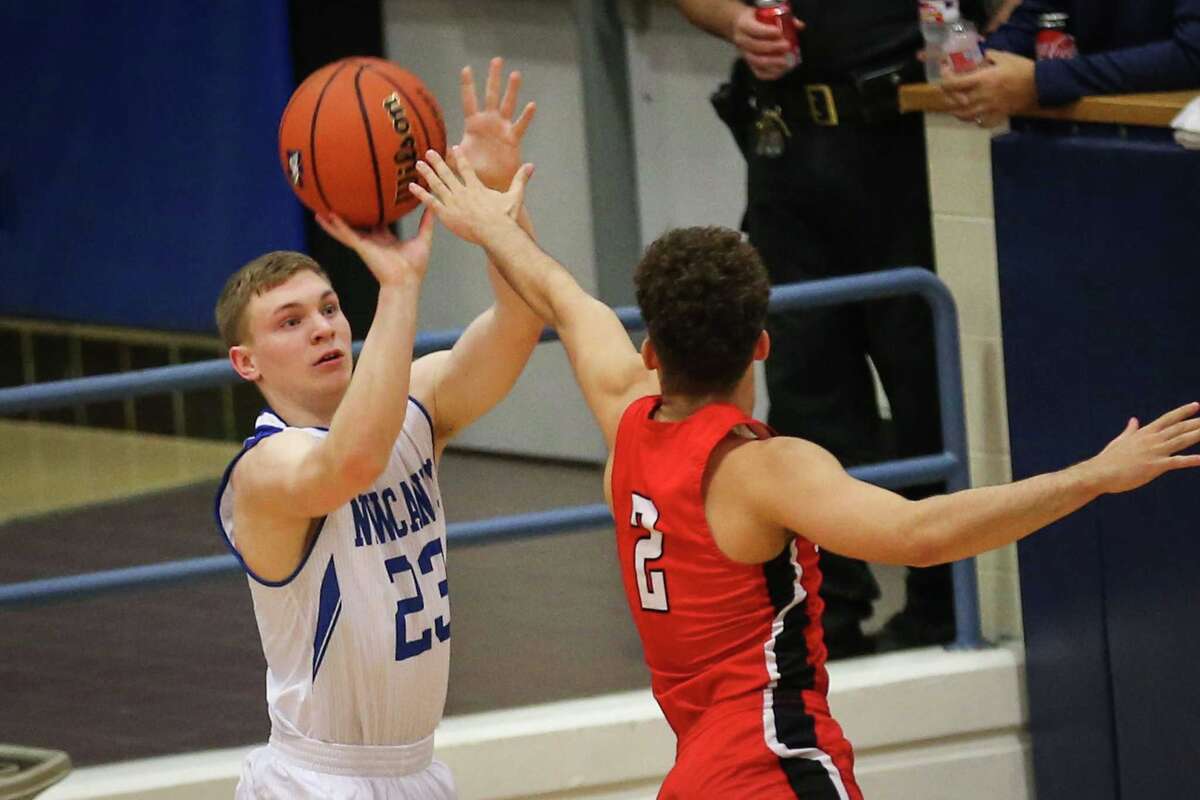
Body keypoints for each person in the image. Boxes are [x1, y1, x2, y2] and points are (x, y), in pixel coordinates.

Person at [410, 148, 1200, 798]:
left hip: (695, 776)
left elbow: (557, 291)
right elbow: (922, 534)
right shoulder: (763, 469)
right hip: (773, 763)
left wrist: (490, 223)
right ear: (762, 344)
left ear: (651, 350)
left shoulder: (625, 419)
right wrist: (1091, 475)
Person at [212, 59, 540, 799]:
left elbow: (521, 324)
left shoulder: (414, 403)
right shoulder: (263, 472)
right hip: (314, 780)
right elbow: (350, 462)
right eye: (290, 322)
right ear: (246, 360)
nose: (322, 328)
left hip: (417, 769)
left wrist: (497, 208)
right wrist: (399, 285)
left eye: (329, 307)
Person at [671, 0, 988, 656]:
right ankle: (829, 607)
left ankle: (944, 601)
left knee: (928, 380)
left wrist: (985, 41)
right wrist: (736, 23)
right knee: (807, 392)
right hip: (788, 150)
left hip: (908, 143)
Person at [939, 0, 1200, 127]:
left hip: (1176, 144)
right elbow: (1035, 18)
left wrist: (1041, 82)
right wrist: (974, 65)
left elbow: (1191, 56)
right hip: (1085, 139)